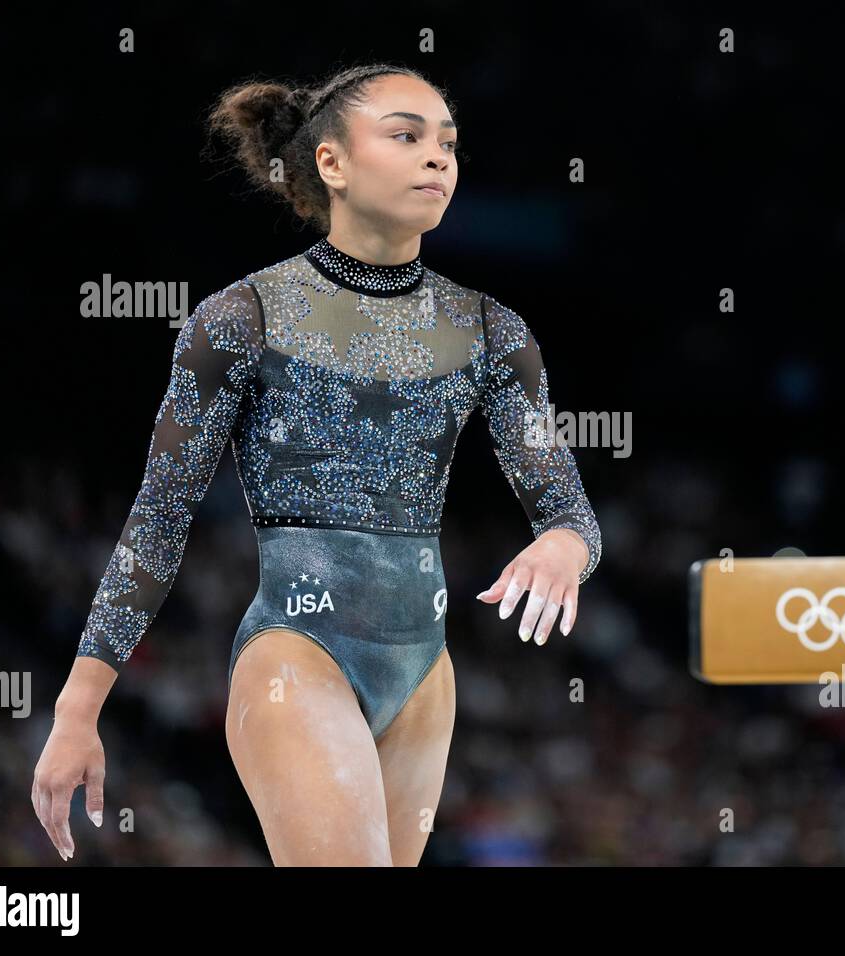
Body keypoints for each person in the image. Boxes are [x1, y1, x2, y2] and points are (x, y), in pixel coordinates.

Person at [31, 63, 601, 865]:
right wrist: (76, 710)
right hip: (297, 656)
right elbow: (159, 519)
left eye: (448, 142)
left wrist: (564, 545)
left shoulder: (491, 330)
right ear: (331, 163)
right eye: (406, 136)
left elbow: (568, 509)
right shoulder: (242, 317)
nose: (437, 157)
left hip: (423, 676)